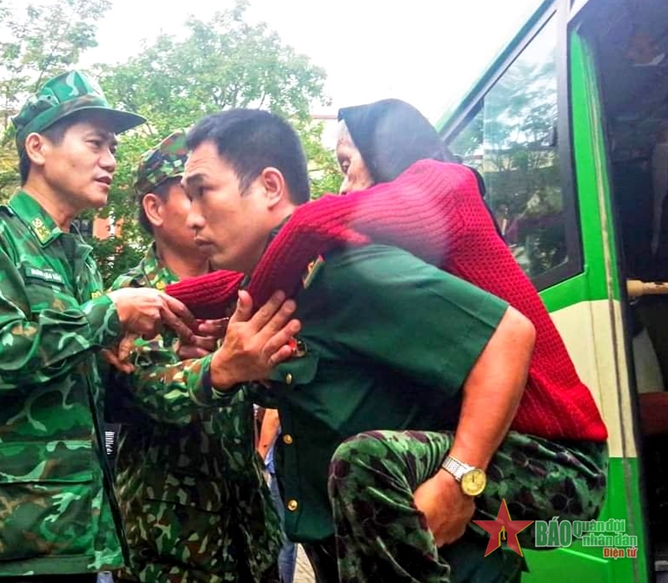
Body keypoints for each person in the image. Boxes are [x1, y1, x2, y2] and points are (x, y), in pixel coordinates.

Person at [167, 108, 605, 582]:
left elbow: (510, 335)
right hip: (485, 478)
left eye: (346, 163)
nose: (343, 185)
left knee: (365, 461)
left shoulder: (424, 203)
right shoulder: (317, 280)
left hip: (558, 454)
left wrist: (460, 478)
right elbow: (236, 288)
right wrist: (149, 308)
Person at [0, 71, 204, 582]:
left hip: (75, 528)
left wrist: (170, 356)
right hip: (4, 539)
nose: (110, 161)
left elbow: (87, 383)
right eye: (95, 143)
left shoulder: (79, 257)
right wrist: (109, 313)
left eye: (113, 147)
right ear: (37, 147)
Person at [108, 130, 282, 582]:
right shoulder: (129, 301)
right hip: (171, 545)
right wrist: (223, 368)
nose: (205, 211)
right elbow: (146, 392)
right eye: (191, 195)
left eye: (208, 192)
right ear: (154, 209)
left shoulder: (239, 287)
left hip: (249, 536)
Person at [256, 409, 298, 583]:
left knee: (283, 537)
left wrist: (258, 458)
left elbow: (274, 414)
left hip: (285, 469)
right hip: (298, 467)